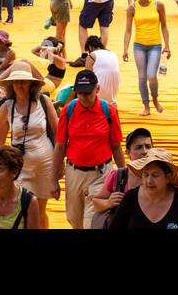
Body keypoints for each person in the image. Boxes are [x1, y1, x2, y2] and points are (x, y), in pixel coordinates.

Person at [50, 69, 124, 229]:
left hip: (101, 174)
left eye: (88, 93)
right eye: (80, 93)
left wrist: (123, 175)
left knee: (93, 222)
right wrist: (53, 179)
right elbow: (60, 146)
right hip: (74, 174)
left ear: (97, 89)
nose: (84, 97)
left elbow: (116, 146)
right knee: (75, 220)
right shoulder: (68, 110)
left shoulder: (108, 111)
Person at [0, 61, 58, 229]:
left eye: (23, 81)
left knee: (41, 212)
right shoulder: (6, 108)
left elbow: (58, 135)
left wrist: (60, 164)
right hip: (19, 167)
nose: (19, 85)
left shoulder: (43, 101)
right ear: (10, 84)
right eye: (16, 81)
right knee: (21, 209)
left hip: (46, 164)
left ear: (31, 83)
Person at [107, 148, 178, 229]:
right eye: (146, 175)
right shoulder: (130, 198)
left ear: (168, 177)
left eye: (155, 175)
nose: (149, 181)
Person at [122, 0, 171, 116]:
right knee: (142, 76)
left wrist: (167, 45)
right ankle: (146, 106)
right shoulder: (132, 8)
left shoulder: (158, 5)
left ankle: (155, 99)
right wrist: (125, 49)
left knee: (151, 75)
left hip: (155, 45)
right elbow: (128, 30)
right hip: (139, 45)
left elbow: (164, 26)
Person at [90, 127, 152, 227]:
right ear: (127, 152)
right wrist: (108, 203)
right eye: (138, 147)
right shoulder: (118, 175)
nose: (144, 151)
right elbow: (96, 201)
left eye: (148, 147)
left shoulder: (162, 174)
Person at [84, 35, 122, 104]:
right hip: (114, 91)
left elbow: (88, 77)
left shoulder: (92, 56)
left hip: (99, 91)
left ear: (90, 47)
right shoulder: (113, 53)